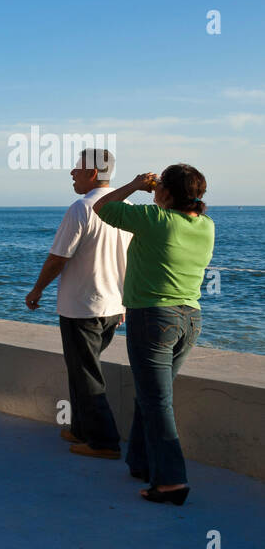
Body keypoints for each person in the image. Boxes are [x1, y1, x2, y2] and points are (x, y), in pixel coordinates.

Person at [93, 165, 214, 506]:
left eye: (160, 184)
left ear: (168, 193)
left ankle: (172, 482)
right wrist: (158, 190)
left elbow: (102, 207)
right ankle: (142, 463)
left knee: (157, 402)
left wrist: (134, 184)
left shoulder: (154, 218)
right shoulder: (206, 226)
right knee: (150, 395)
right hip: (190, 320)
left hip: (153, 318)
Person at [25, 150, 131, 459]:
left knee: (86, 374)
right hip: (113, 306)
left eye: (77, 168)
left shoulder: (81, 208)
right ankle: (80, 428)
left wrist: (37, 290)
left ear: (93, 173)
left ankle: (104, 441)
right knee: (81, 368)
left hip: (82, 306)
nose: (72, 172)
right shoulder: (129, 207)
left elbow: (59, 258)